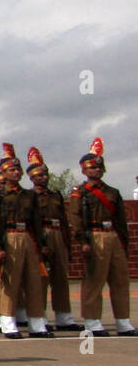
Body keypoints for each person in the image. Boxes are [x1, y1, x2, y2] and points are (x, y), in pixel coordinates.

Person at [67, 138, 133, 336]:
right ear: (84, 171)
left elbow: (120, 219)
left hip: (112, 235)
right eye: (92, 168)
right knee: (95, 279)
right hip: (94, 235)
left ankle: (123, 320)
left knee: (120, 279)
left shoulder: (113, 192)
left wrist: (124, 242)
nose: (96, 171)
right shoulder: (80, 193)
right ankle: (92, 320)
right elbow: (76, 218)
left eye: (98, 168)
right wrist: (83, 241)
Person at [0, 144, 52, 338]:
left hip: (28, 238)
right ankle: (8, 322)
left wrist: (42, 244)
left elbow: (36, 222)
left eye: (18, 169)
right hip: (9, 236)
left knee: (34, 280)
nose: (16, 172)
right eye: (11, 170)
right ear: (3, 172)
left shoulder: (29, 195)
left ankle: (37, 323)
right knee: (10, 281)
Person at [26, 147, 81, 331]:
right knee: (41, 280)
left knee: (61, 278)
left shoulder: (55, 195)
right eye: (39, 175)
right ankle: (39, 317)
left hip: (58, 234)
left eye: (45, 174)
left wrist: (68, 244)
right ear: (32, 178)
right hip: (43, 235)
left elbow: (65, 221)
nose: (43, 178)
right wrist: (40, 244)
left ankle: (64, 316)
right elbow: (32, 222)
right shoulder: (30, 197)